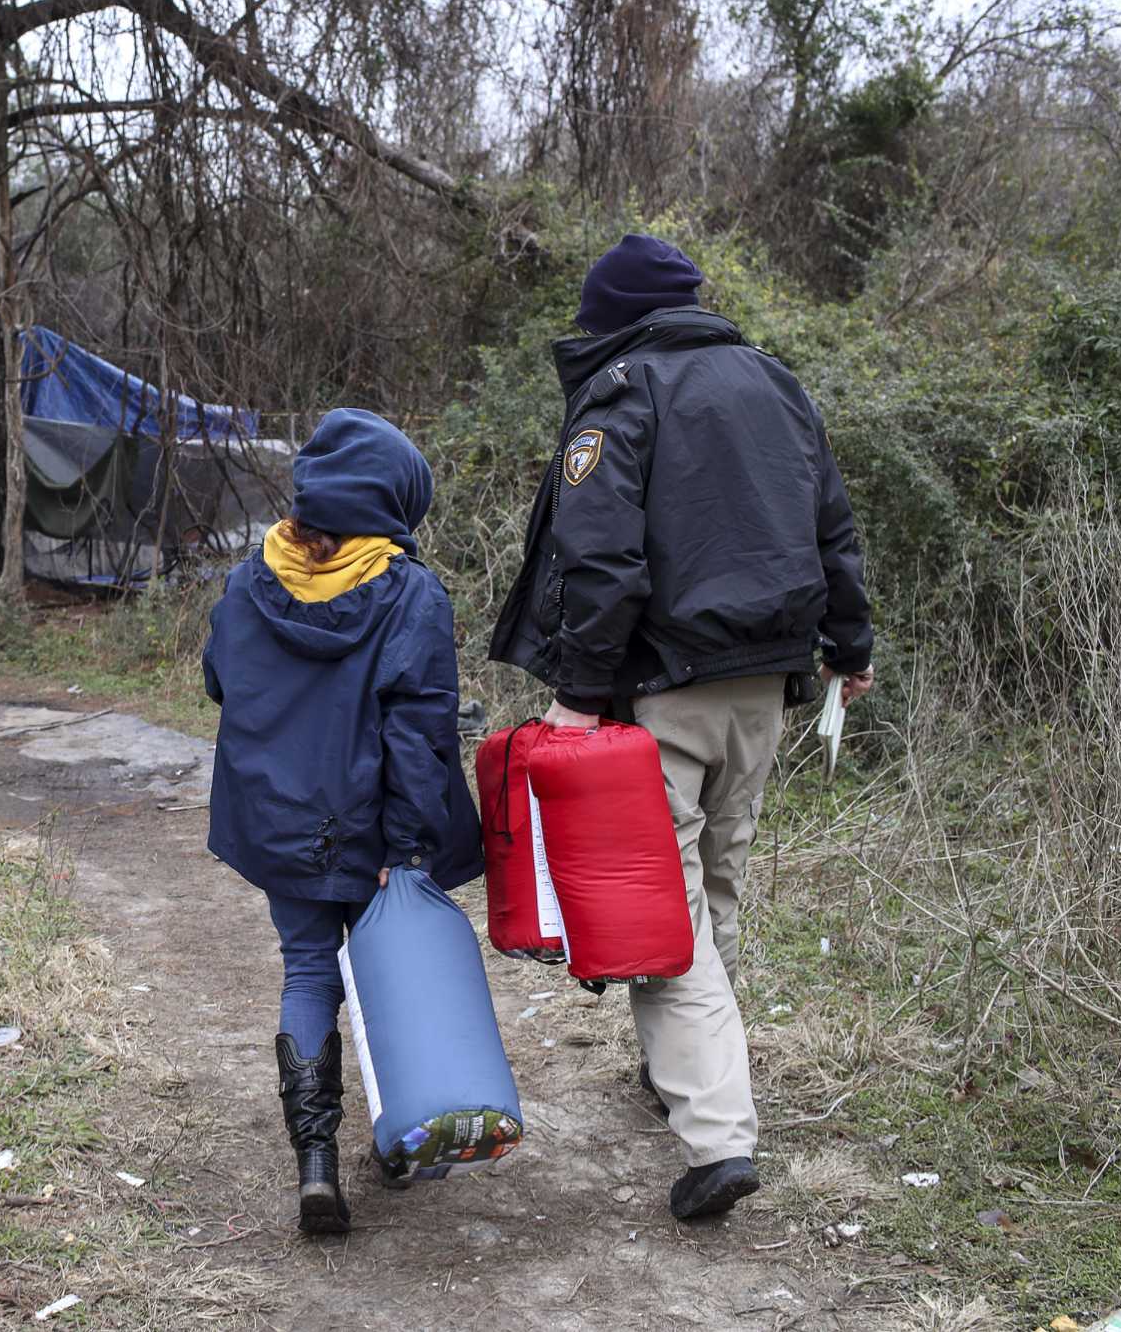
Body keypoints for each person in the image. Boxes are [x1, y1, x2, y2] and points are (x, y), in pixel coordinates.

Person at [487, 234, 876, 1220]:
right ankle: (686, 1076)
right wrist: (850, 645)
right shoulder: (776, 382)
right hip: (768, 684)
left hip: (663, 686)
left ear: (611, 317)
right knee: (714, 882)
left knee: (665, 913)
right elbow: (830, 527)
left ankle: (717, 1137)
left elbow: (601, 556)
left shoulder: (623, 390)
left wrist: (578, 692)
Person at [202, 407, 483, 1234]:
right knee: (391, 972)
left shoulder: (251, 580)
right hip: (370, 826)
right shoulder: (410, 593)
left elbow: (219, 679)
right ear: (391, 502)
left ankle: (316, 1162)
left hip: (278, 821)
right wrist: (410, 844)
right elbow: (421, 733)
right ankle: (407, 1141)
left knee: (308, 970)